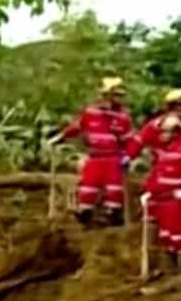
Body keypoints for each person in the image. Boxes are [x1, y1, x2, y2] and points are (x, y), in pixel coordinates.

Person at [125, 89, 181, 267]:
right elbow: (138, 141)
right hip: (160, 182)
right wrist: (129, 156)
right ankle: (167, 261)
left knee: (179, 227)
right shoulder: (155, 126)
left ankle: (180, 262)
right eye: (179, 105)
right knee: (163, 227)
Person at [49, 77, 135, 226]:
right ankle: (85, 214)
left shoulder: (123, 117)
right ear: (106, 95)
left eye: (121, 96)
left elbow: (130, 140)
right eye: (116, 95)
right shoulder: (91, 112)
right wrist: (60, 137)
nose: (119, 99)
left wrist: (128, 155)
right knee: (88, 186)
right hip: (94, 156)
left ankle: (112, 216)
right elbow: (77, 127)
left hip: (113, 157)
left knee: (114, 188)